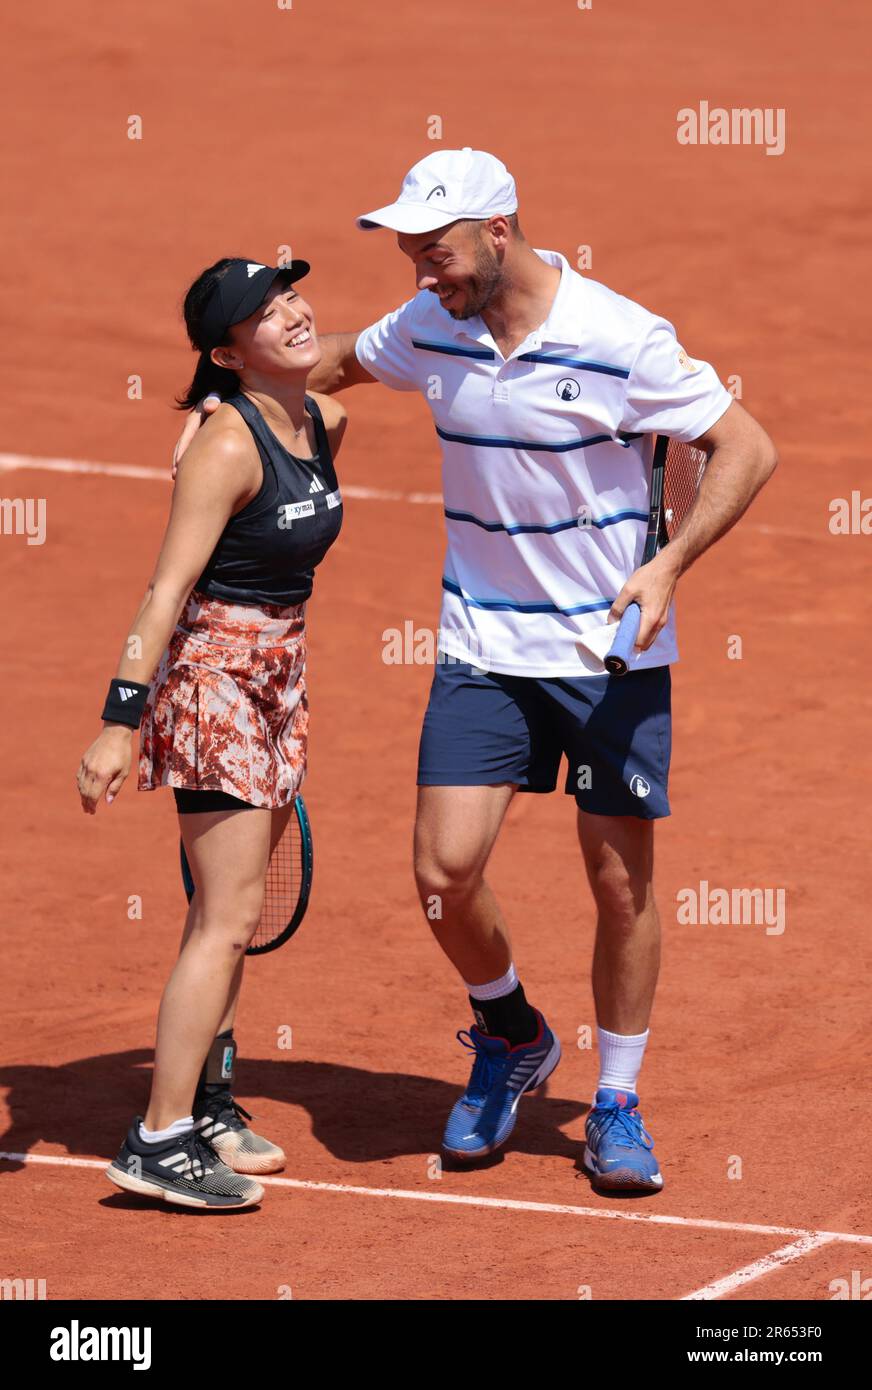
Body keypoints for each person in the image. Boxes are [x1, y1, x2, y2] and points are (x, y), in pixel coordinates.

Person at [174, 149, 777, 1194]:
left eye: (437, 250)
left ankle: (617, 1101)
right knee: (442, 875)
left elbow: (744, 446)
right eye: (410, 252)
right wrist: (224, 425)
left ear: (498, 230)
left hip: (607, 652)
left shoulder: (619, 337)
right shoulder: (427, 326)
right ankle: (509, 1035)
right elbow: (320, 376)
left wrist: (668, 564)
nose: (421, 271)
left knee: (617, 881)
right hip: (481, 648)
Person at [78, 257, 347, 1209]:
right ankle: (155, 1139)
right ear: (228, 352)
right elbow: (166, 588)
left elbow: (350, 365)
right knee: (225, 920)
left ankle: (210, 1105)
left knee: (225, 922)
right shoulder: (227, 449)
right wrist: (120, 721)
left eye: (291, 300)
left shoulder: (319, 419)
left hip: (281, 675)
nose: (294, 315)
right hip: (213, 680)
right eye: (266, 315)